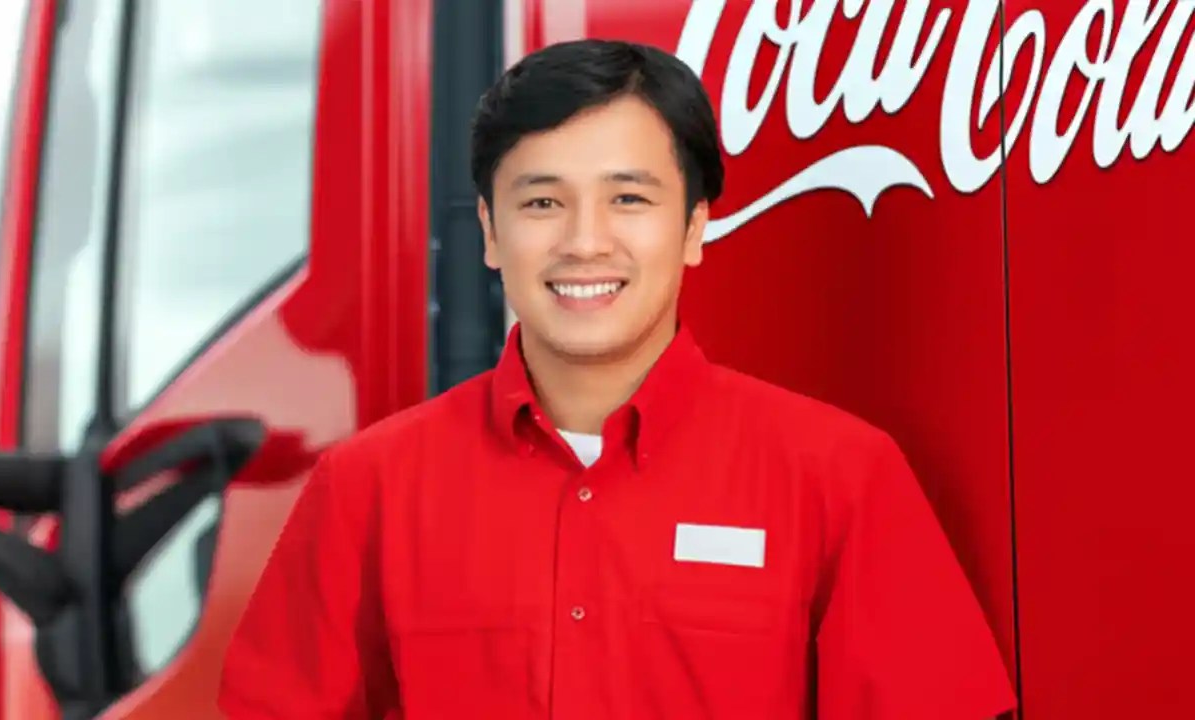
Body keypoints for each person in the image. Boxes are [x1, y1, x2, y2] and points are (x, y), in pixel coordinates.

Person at [218, 39, 1017, 719]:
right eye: (542, 203)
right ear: (492, 233)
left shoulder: (840, 478)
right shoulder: (368, 491)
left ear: (694, 227)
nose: (585, 242)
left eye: (628, 198)